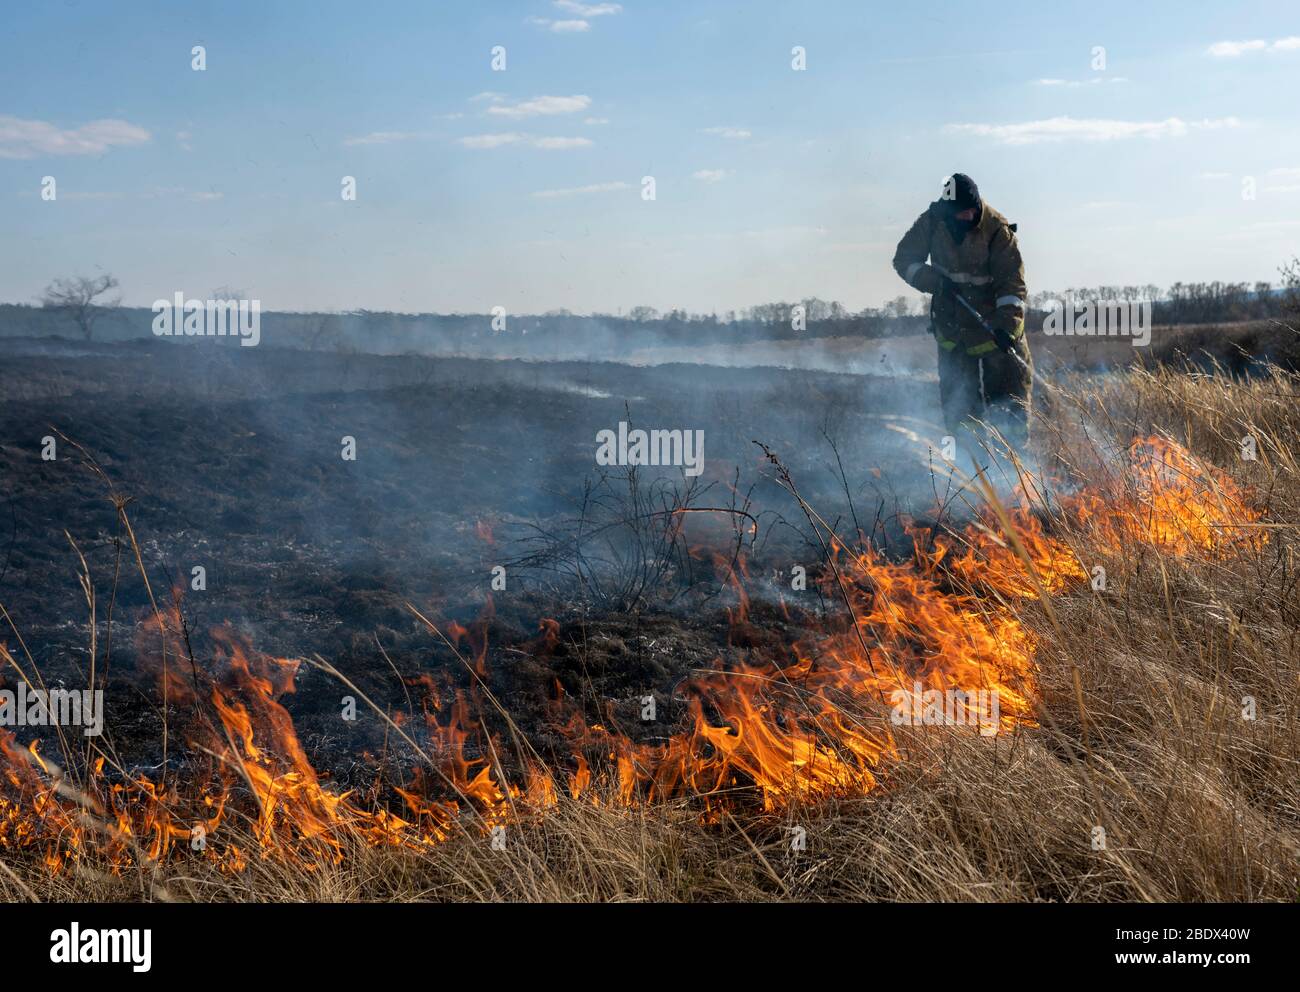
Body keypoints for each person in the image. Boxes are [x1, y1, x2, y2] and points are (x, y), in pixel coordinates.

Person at [892, 174, 1032, 451]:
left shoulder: (997, 231)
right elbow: (904, 259)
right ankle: (973, 475)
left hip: (996, 334)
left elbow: (1012, 288)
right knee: (961, 412)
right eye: (961, 212)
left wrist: (1008, 330)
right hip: (953, 331)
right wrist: (936, 283)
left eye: (972, 209)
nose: (969, 215)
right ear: (948, 211)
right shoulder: (932, 222)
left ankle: (1013, 477)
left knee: (1009, 408)